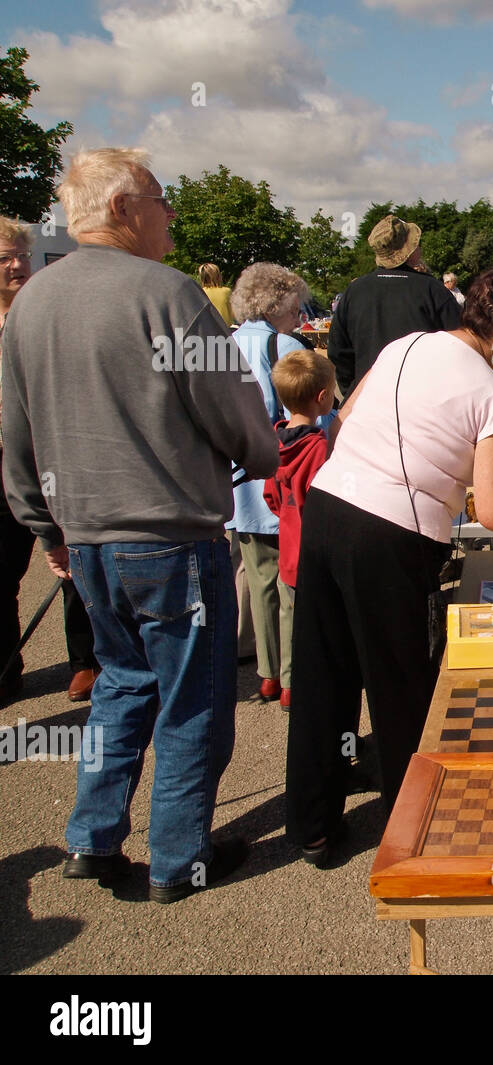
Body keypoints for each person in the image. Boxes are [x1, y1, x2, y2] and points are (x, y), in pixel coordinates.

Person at [2, 148, 279, 902]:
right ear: (124, 207)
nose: (171, 215)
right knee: (192, 698)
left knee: (123, 684)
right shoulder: (168, 293)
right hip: (171, 538)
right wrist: (262, 452)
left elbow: (15, 432)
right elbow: (235, 413)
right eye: (161, 200)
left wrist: (44, 529)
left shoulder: (29, 302)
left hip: (85, 537)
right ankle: (177, 855)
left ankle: (91, 837)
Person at [286, 261, 493, 867]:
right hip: (389, 535)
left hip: (329, 507)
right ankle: (410, 829)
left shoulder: (406, 344)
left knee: (323, 675)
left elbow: (345, 420)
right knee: (400, 686)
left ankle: (312, 826)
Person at [0, 216, 100, 704]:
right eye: (6, 258)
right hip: (3, 463)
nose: (19, 264)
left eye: (22, 254)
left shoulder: (44, 313)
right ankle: (8, 666)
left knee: (70, 562)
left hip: (53, 457)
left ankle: (86, 661)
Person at [228, 262, 316, 709]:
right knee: (289, 584)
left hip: (236, 480)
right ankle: (290, 678)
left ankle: (265, 673)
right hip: (280, 476)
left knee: (258, 577)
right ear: (277, 302)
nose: (300, 313)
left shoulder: (221, 345)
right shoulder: (284, 346)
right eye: (295, 305)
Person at [262, 349, 338, 711]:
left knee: (287, 613)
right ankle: (298, 685)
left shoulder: (272, 441)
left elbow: (270, 496)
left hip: (286, 543)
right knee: (314, 626)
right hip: (312, 549)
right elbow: (323, 500)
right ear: (323, 397)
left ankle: (280, 679)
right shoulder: (318, 447)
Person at [327, 214, 460, 397]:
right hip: (422, 400)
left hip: (368, 399)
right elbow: (460, 345)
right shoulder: (432, 290)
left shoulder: (355, 291)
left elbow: (338, 352)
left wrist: (353, 391)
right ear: (411, 250)